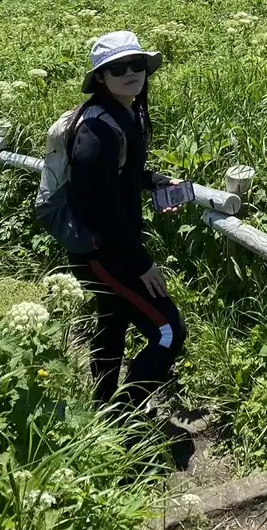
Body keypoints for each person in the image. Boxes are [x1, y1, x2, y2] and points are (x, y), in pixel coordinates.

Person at [66, 30, 188, 412]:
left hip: (106, 247)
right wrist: (142, 264)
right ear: (100, 77)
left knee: (113, 321)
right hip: (104, 252)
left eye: (137, 65)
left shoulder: (123, 111)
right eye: (118, 69)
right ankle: (126, 413)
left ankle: (104, 409)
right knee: (169, 332)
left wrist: (153, 181)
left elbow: (118, 178)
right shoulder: (96, 132)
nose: (132, 73)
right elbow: (101, 208)